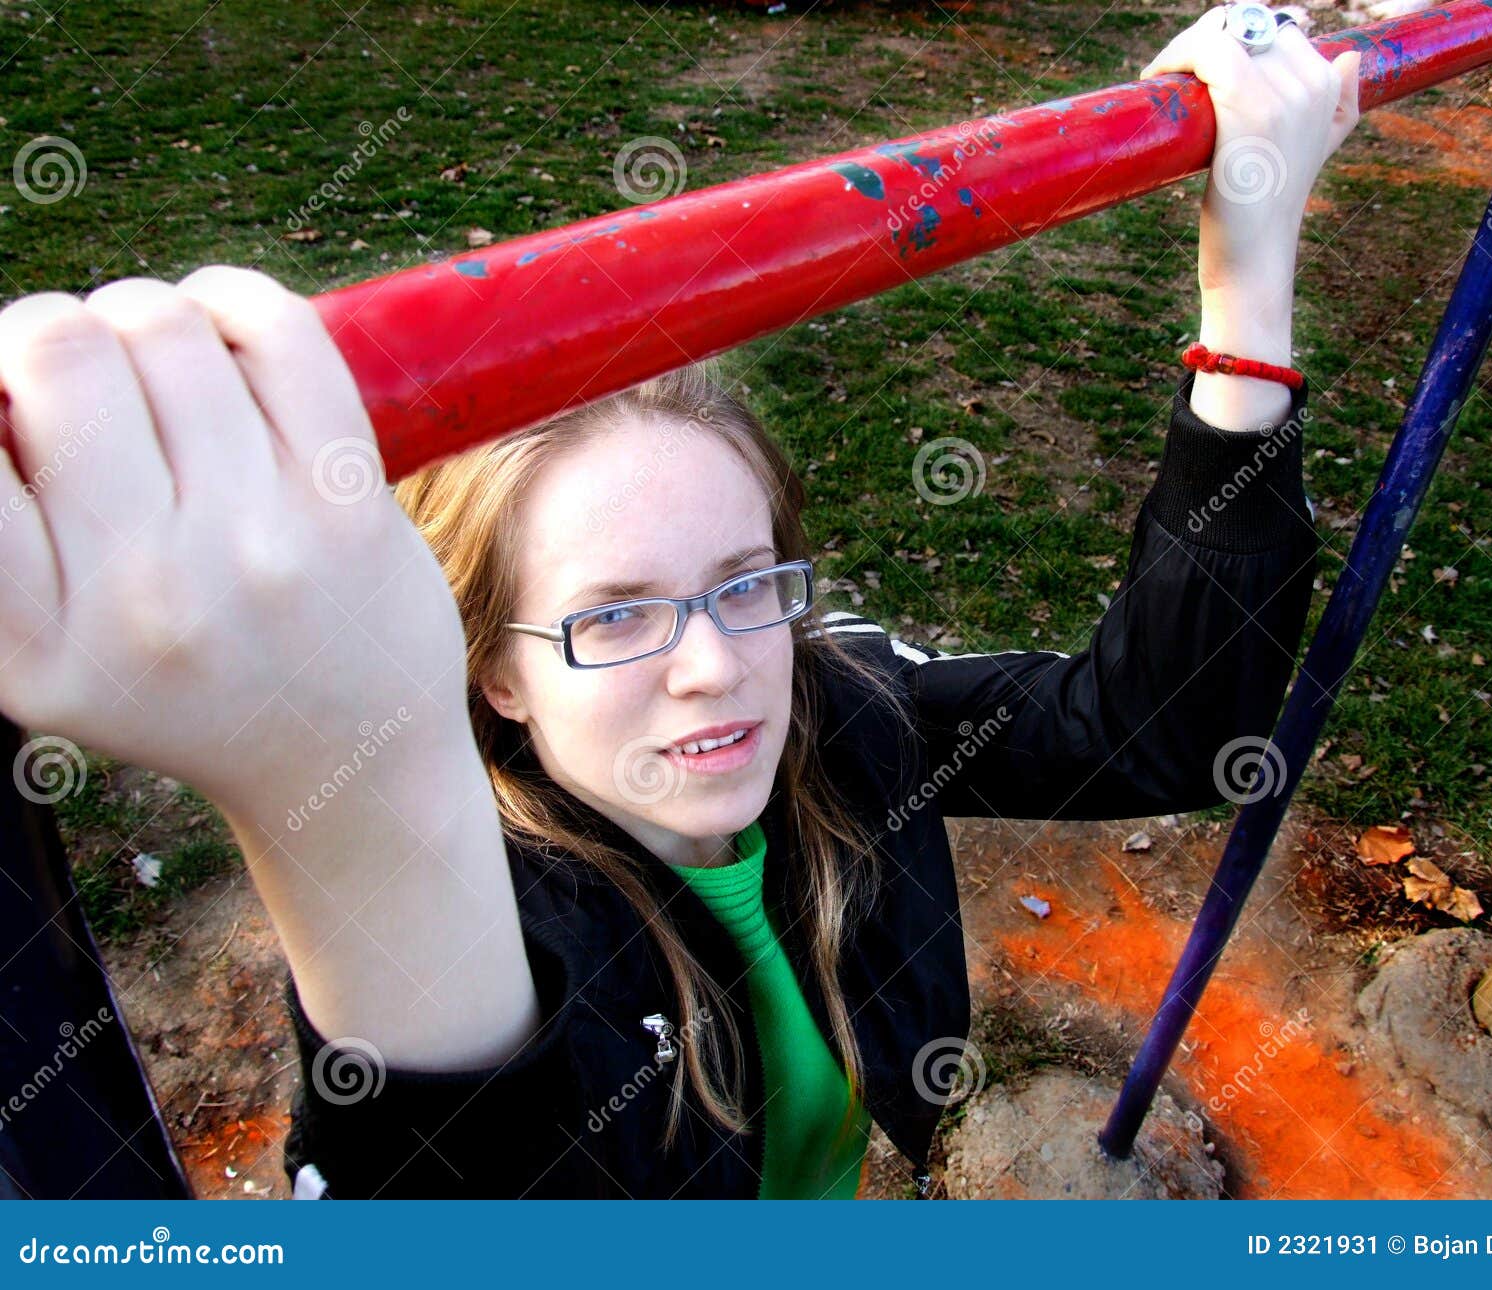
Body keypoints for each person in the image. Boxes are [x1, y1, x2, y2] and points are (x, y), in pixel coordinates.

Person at [0, 6, 1360, 1199]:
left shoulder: (843, 715)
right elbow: (468, 1178)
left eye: (743, 585)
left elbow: (1162, 725)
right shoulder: (509, 926)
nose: (717, 669)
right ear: (493, 673)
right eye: (615, 616)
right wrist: (343, 790)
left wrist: (1250, 284)